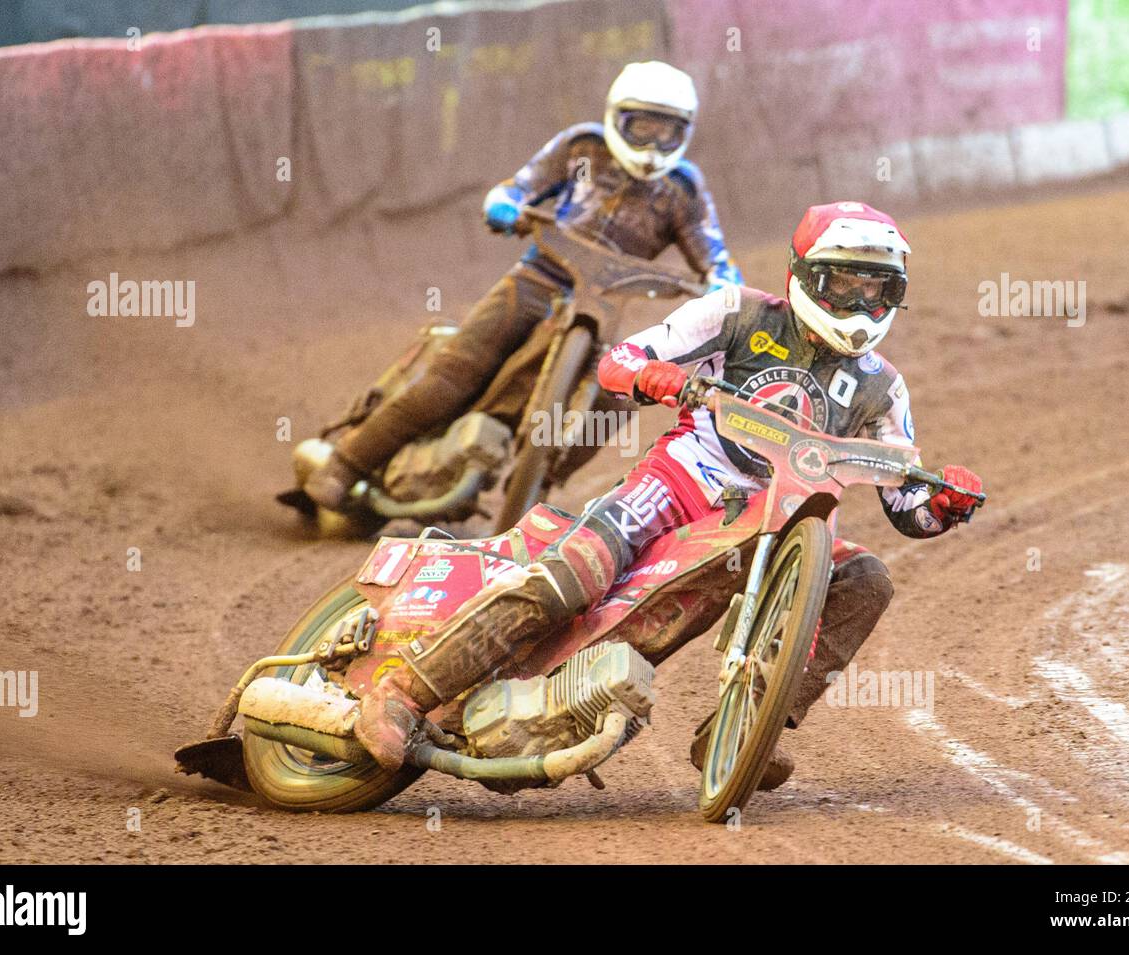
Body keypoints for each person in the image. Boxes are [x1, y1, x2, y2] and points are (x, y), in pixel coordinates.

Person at [354, 201, 984, 788]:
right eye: (844, 283)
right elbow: (619, 359)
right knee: (575, 573)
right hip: (681, 483)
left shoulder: (883, 388)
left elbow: (907, 506)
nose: (859, 300)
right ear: (805, 277)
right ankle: (402, 692)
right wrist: (653, 375)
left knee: (867, 579)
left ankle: (740, 733)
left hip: (781, 520)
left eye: (876, 288)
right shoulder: (737, 312)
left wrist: (944, 505)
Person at [303, 60, 742, 510]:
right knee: (454, 375)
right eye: (642, 128)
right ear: (616, 118)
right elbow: (521, 185)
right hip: (537, 279)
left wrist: (724, 284)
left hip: (604, 306)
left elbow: (715, 255)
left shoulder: (683, 188)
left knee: (617, 401)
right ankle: (345, 464)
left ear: (684, 133)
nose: (652, 144)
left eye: (666, 132)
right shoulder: (581, 146)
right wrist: (506, 204)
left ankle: (539, 486)